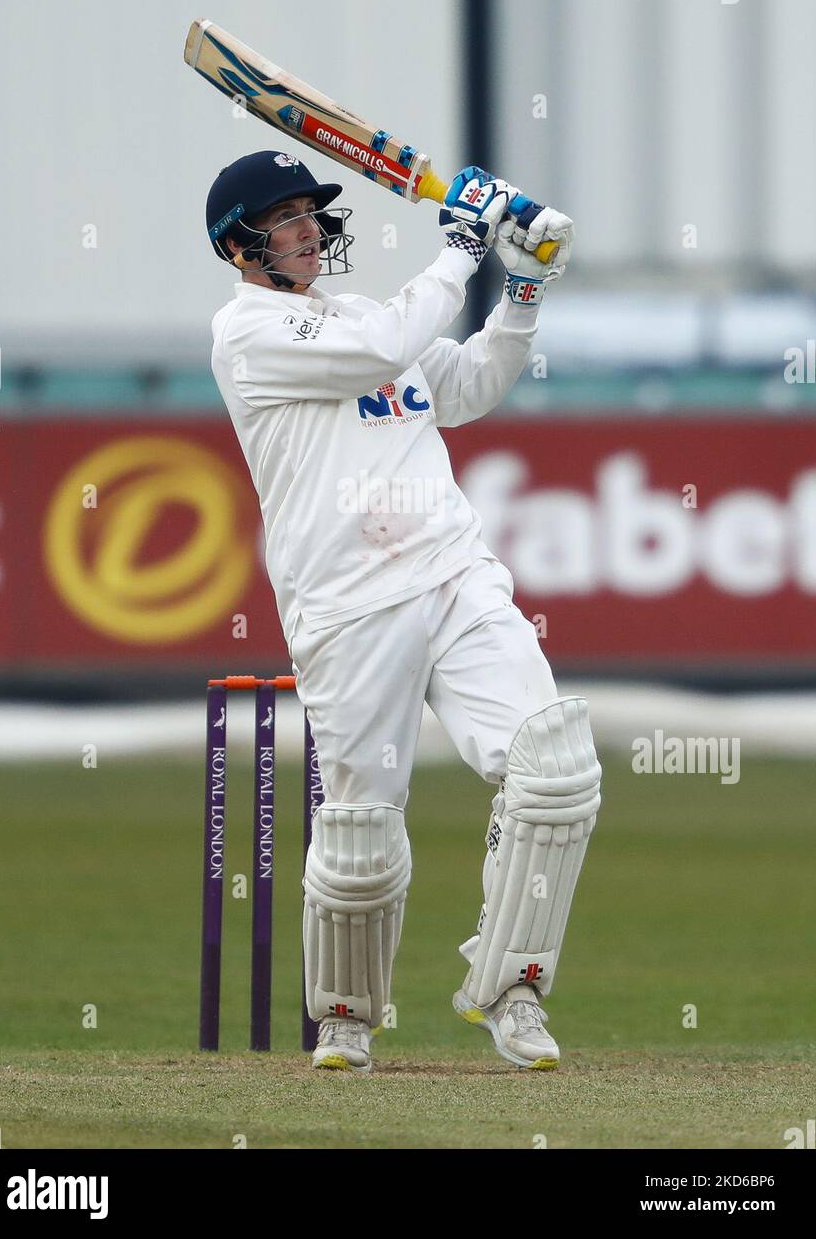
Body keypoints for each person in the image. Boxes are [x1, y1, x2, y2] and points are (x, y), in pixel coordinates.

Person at [207, 149, 602, 1073]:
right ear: (239, 243)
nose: (310, 228)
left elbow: (462, 387)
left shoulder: (359, 316)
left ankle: (513, 991)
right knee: (361, 822)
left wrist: (525, 290)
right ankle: (346, 1014)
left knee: (554, 767)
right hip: (346, 604)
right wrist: (464, 245)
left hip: (452, 569)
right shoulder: (246, 333)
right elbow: (386, 348)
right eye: (287, 217)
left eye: (313, 212)